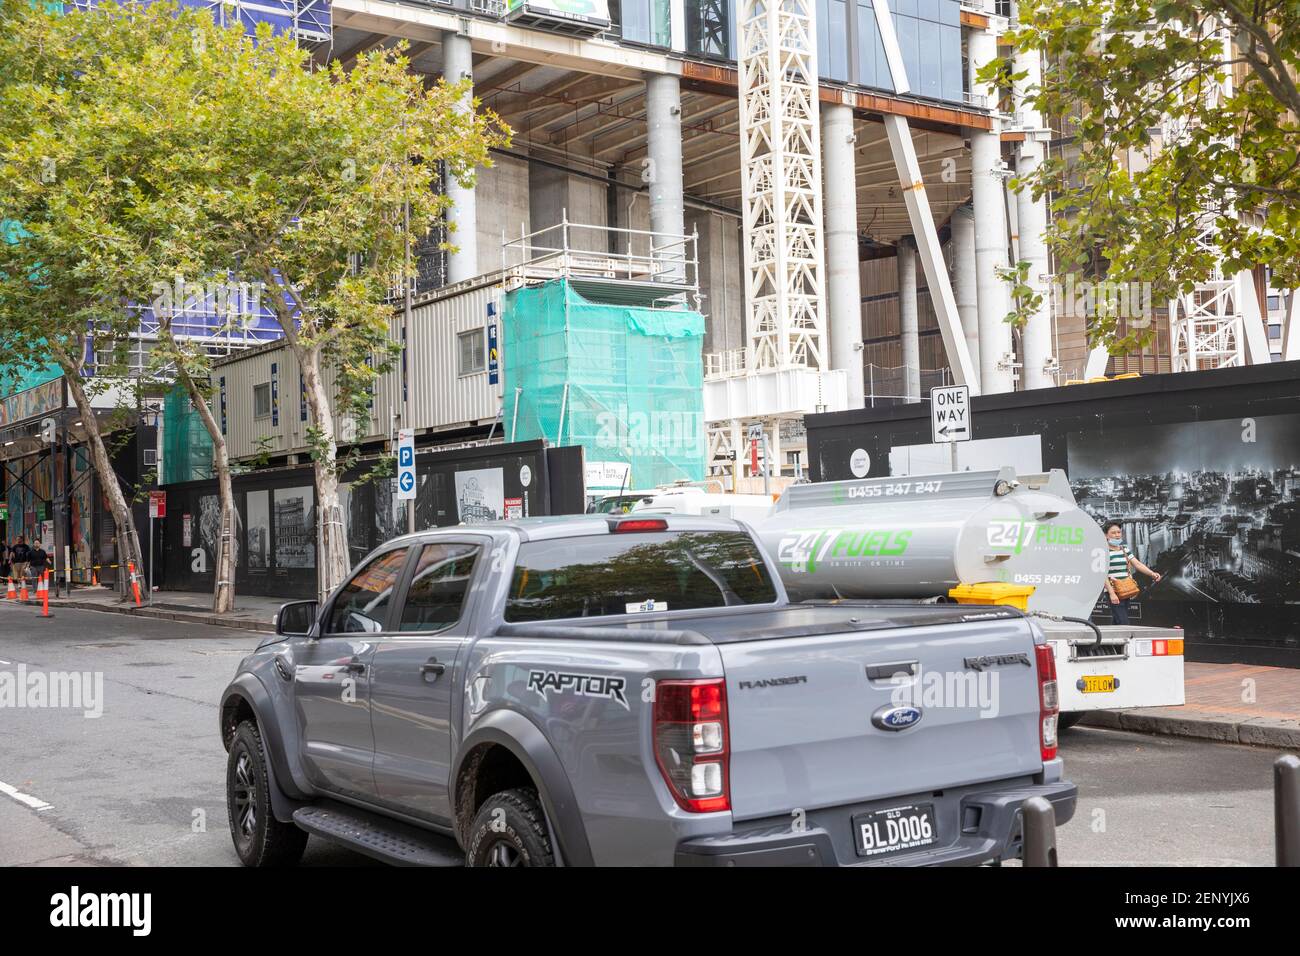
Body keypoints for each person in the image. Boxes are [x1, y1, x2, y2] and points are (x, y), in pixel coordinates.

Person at [1103, 520, 1161, 625]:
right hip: (1114, 591)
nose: (1117, 535)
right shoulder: (1103, 551)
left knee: (1118, 620)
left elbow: (1137, 564)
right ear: (1106, 535)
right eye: (1113, 533)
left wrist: (1152, 573)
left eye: (1119, 532)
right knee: (1123, 621)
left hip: (1126, 589)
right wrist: (1111, 593)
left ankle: (1112, 640)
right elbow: (1102, 575)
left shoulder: (1124, 549)